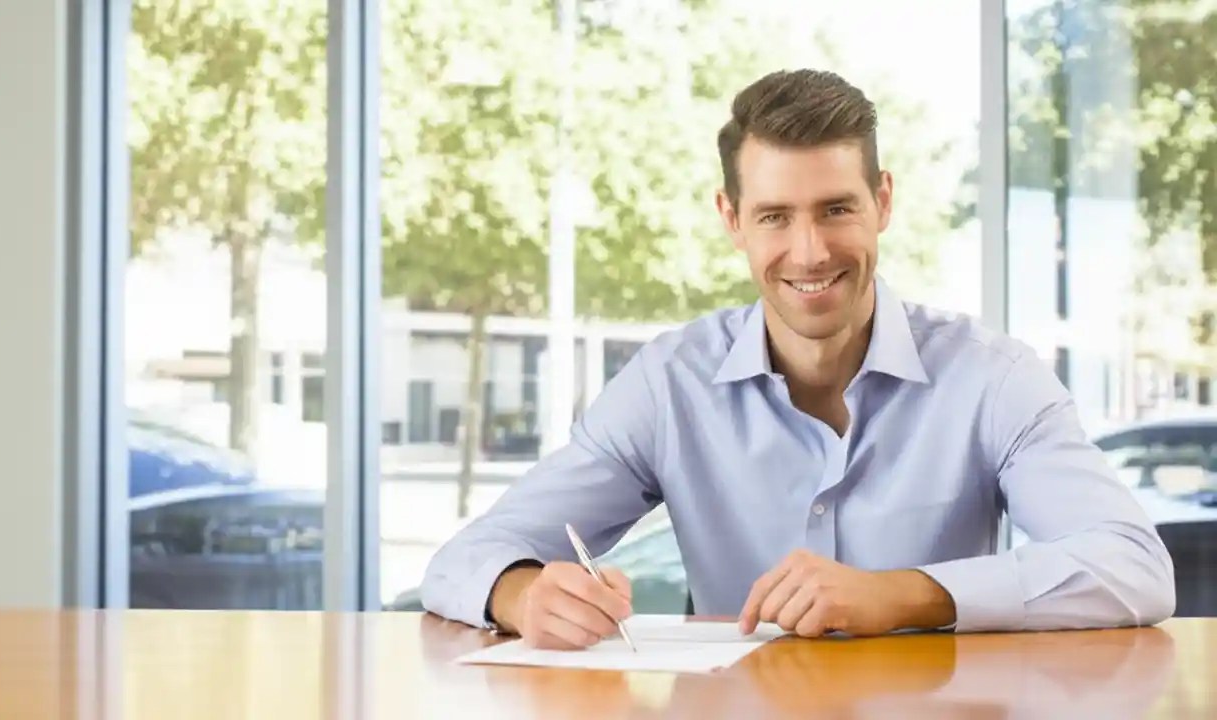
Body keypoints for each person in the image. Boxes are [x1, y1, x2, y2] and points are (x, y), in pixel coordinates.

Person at [420, 69, 1176, 649]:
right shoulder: (669, 385)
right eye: (775, 216)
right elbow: (467, 558)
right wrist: (523, 597)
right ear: (732, 220)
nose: (809, 252)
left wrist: (902, 595)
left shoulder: (992, 378)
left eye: (836, 209)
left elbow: (1133, 568)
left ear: (882, 201)